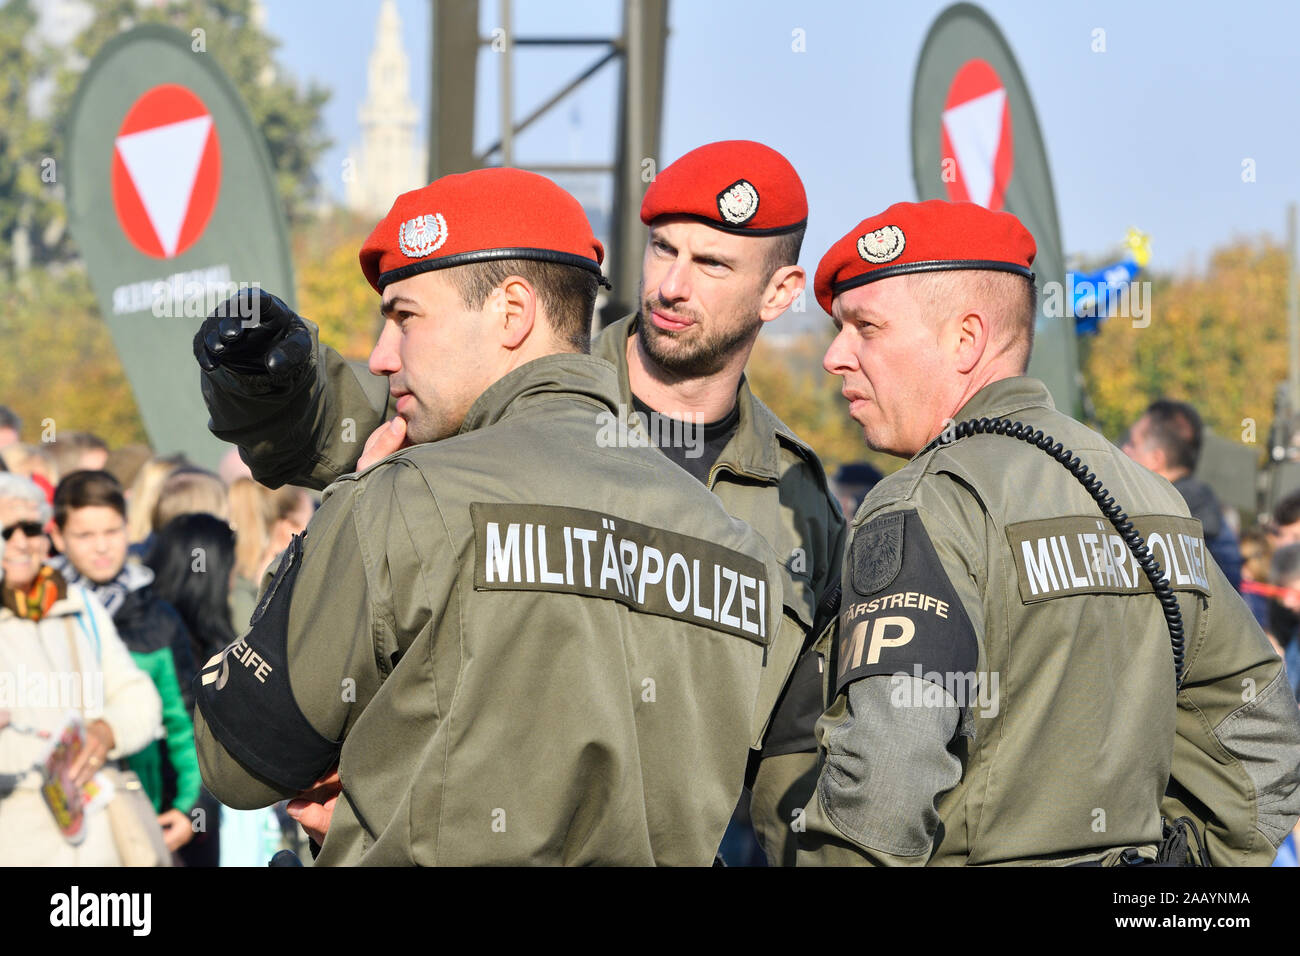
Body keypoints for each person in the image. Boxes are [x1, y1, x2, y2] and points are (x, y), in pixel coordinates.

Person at [193, 142, 846, 866]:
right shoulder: (478, 399)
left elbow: (796, 758)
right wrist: (266, 380)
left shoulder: (796, 505)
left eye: (713, 264)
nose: (672, 285)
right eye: (663, 250)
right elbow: (339, 418)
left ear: (780, 291)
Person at [801, 199, 1300, 866]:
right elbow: (1263, 743)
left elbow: (882, 797)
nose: (836, 356)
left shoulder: (927, 503)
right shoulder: (1153, 499)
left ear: (965, 340)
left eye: (865, 327)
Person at [0, 473, 161, 865]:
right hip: (15, 834)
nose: (21, 542)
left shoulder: (80, 606)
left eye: (32, 528)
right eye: (7, 531)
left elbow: (139, 697)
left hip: (97, 831)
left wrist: (108, 731)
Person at [48, 470, 200, 854]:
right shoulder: (43, 614)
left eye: (111, 532)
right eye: (84, 535)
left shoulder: (158, 617)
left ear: (128, 529)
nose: (101, 547)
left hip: (146, 804)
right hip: (60, 815)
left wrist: (188, 807)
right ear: (57, 536)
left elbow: (186, 721)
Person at [145, 513, 240, 867]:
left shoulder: (149, 631)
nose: (233, 580)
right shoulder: (198, 655)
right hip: (179, 819)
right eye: (229, 568)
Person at [1123, 400, 1242, 589]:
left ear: (1156, 459)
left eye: (1132, 444)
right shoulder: (1201, 509)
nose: (1124, 451)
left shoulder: (1166, 519)